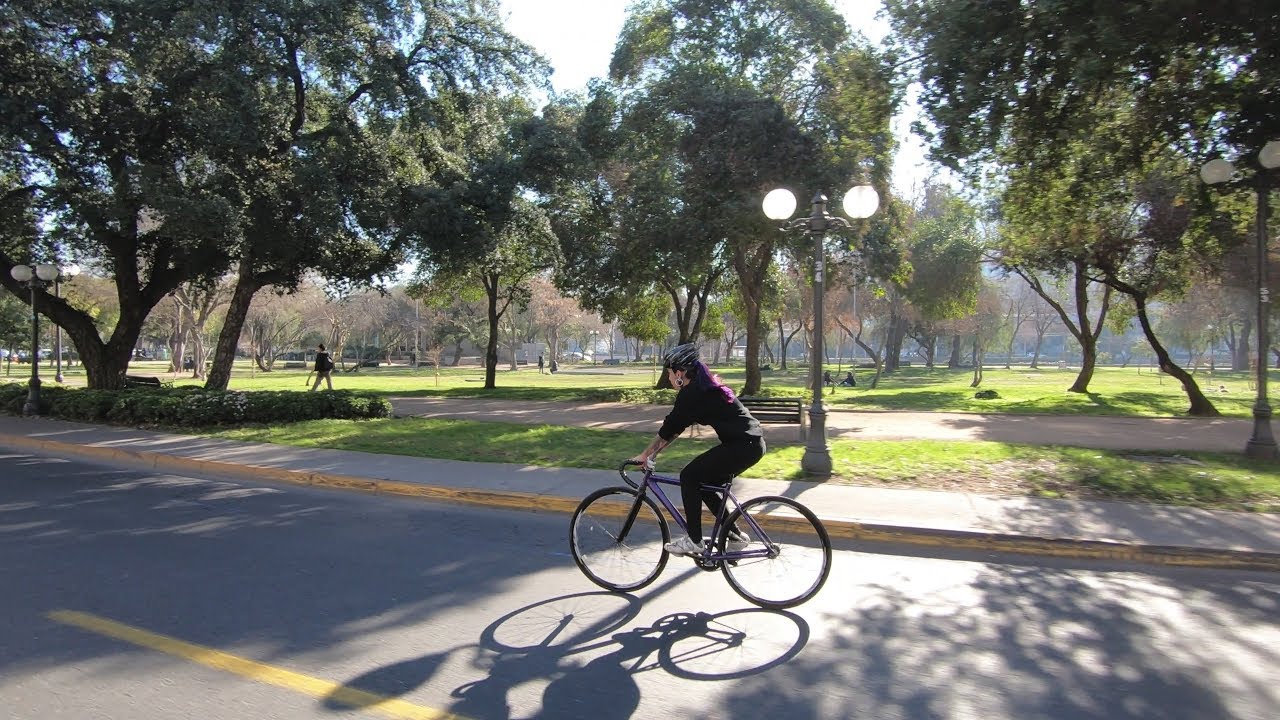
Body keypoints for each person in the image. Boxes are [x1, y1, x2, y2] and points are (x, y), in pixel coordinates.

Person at [631, 343, 765, 557]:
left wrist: (645, 455)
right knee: (704, 485)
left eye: (669, 372)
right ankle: (734, 536)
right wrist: (651, 454)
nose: (668, 377)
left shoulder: (693, 393)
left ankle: (694, 541)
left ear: (680, 373)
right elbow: (675, 428)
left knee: (689, 476)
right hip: (749, 445)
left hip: (742, 446)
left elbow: (670, 427)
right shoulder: (702, 388)